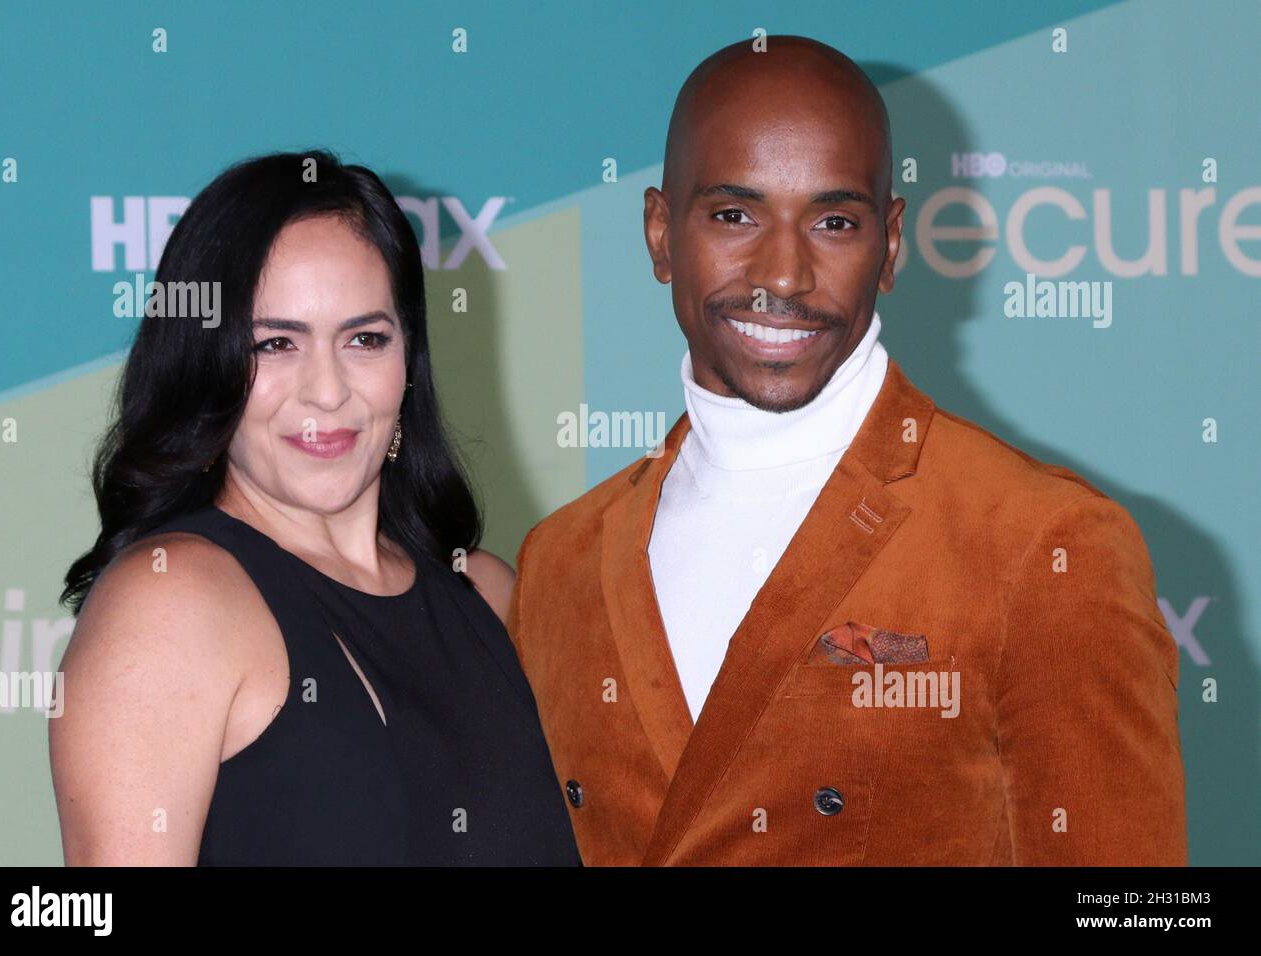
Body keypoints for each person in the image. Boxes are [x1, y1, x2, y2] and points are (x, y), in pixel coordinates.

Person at [505, 37, 1187, 865]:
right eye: (734, 215)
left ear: (890, 244)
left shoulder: (1043, 544)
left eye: (834, 222)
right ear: (659, 231)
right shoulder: (560, 562)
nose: (783, 275)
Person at [52, 149, 581, 866]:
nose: (327, 391)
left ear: (407, 358)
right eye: (276, 343)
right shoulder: (170, 601)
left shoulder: (489, 597)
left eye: (364, 339)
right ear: (205, 364)